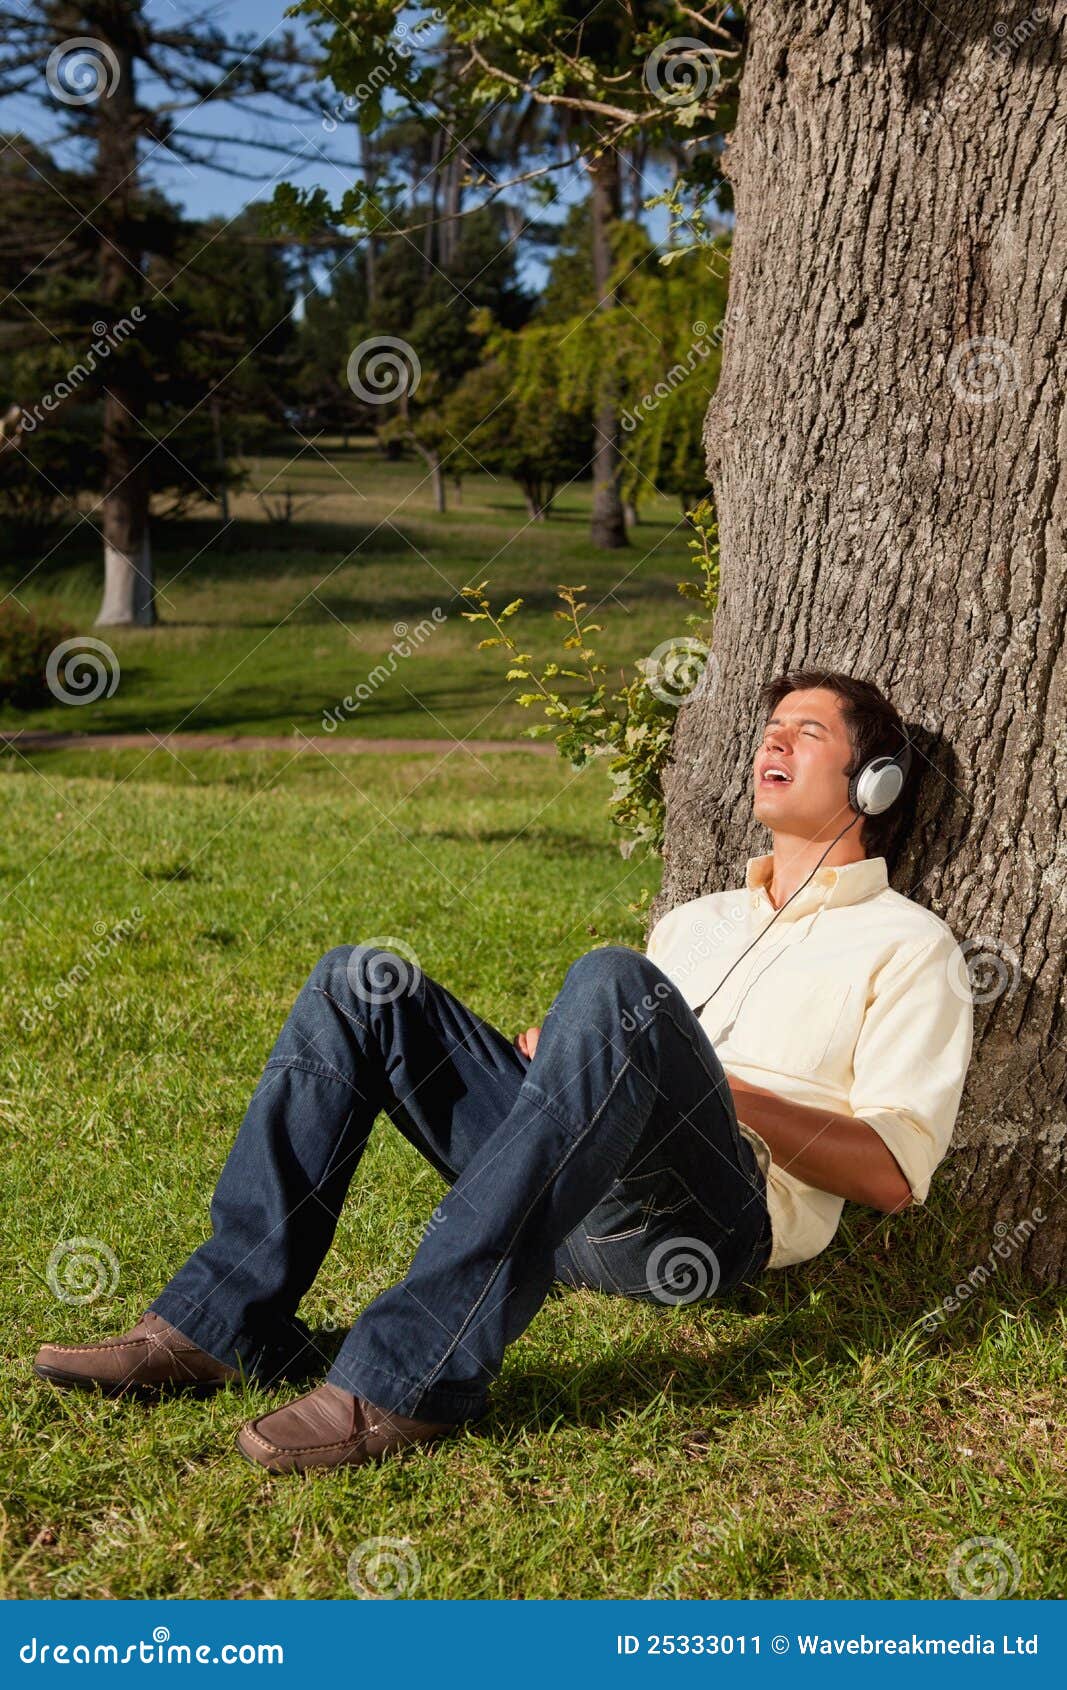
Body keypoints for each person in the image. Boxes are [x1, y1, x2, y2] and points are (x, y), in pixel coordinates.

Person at [34, 669, 974, 1474]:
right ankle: (222, 1324)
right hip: (569, 1210)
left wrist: (672, 1069)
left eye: (805, 734)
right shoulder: (698, 922)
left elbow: (890, 1176)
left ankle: (410, 1374)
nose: (773, 745)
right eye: (767, 731)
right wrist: (579, 1058)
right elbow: (617, 1048)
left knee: (611, 981)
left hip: (703, 1227)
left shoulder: (906, 944)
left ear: (876, 783)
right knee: (362, 981)